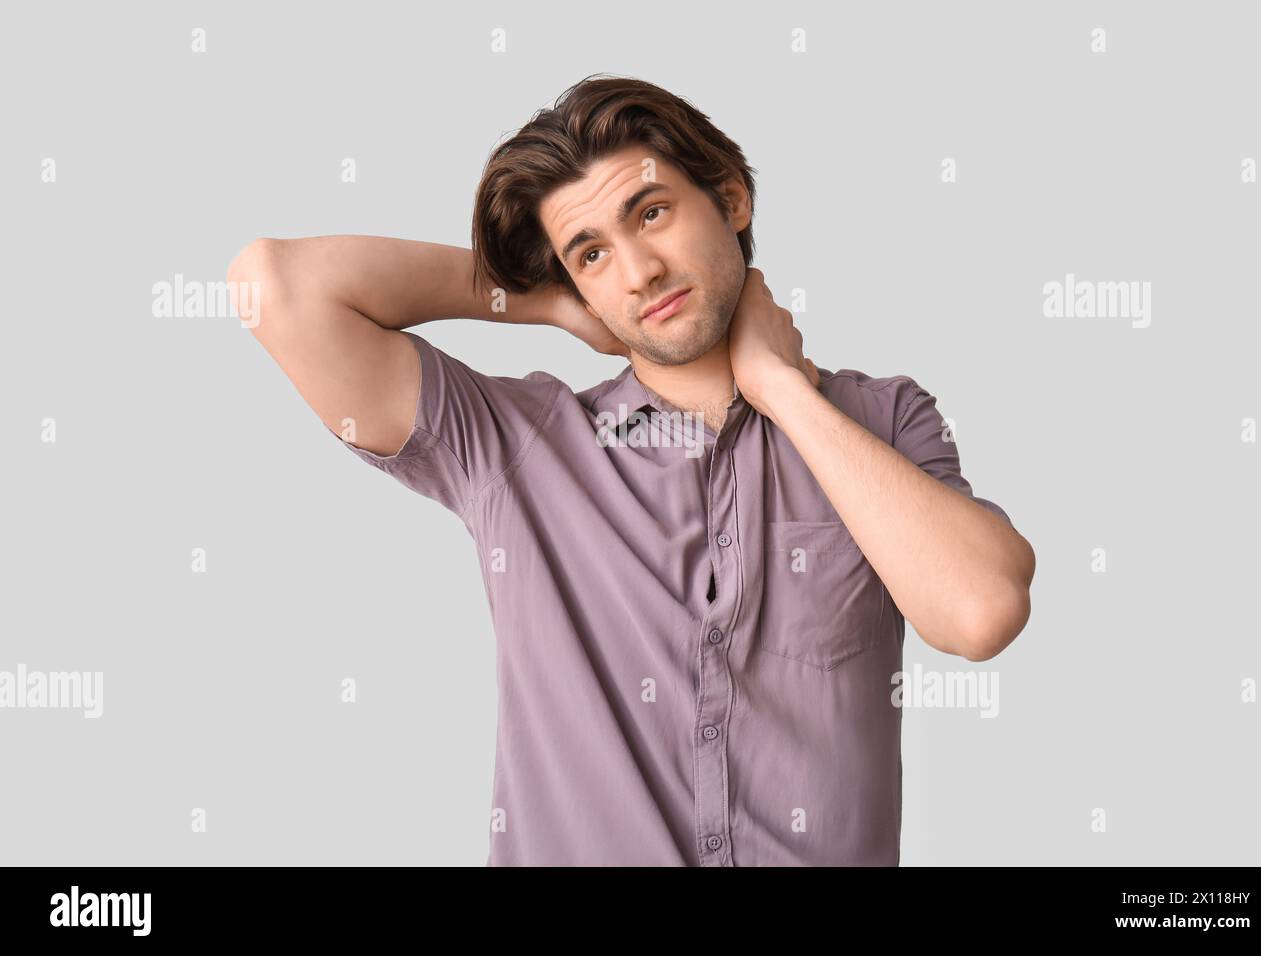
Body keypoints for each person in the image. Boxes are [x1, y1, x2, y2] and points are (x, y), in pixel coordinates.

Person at [227, 74, 1035, 866]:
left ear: (731, 197)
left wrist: (783, 392)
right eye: (591, 253)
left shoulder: (881, 420)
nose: (639, 271)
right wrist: (542, 300)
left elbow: (980, 611)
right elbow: (277, 286)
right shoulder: (517, 449)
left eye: (650, 213)